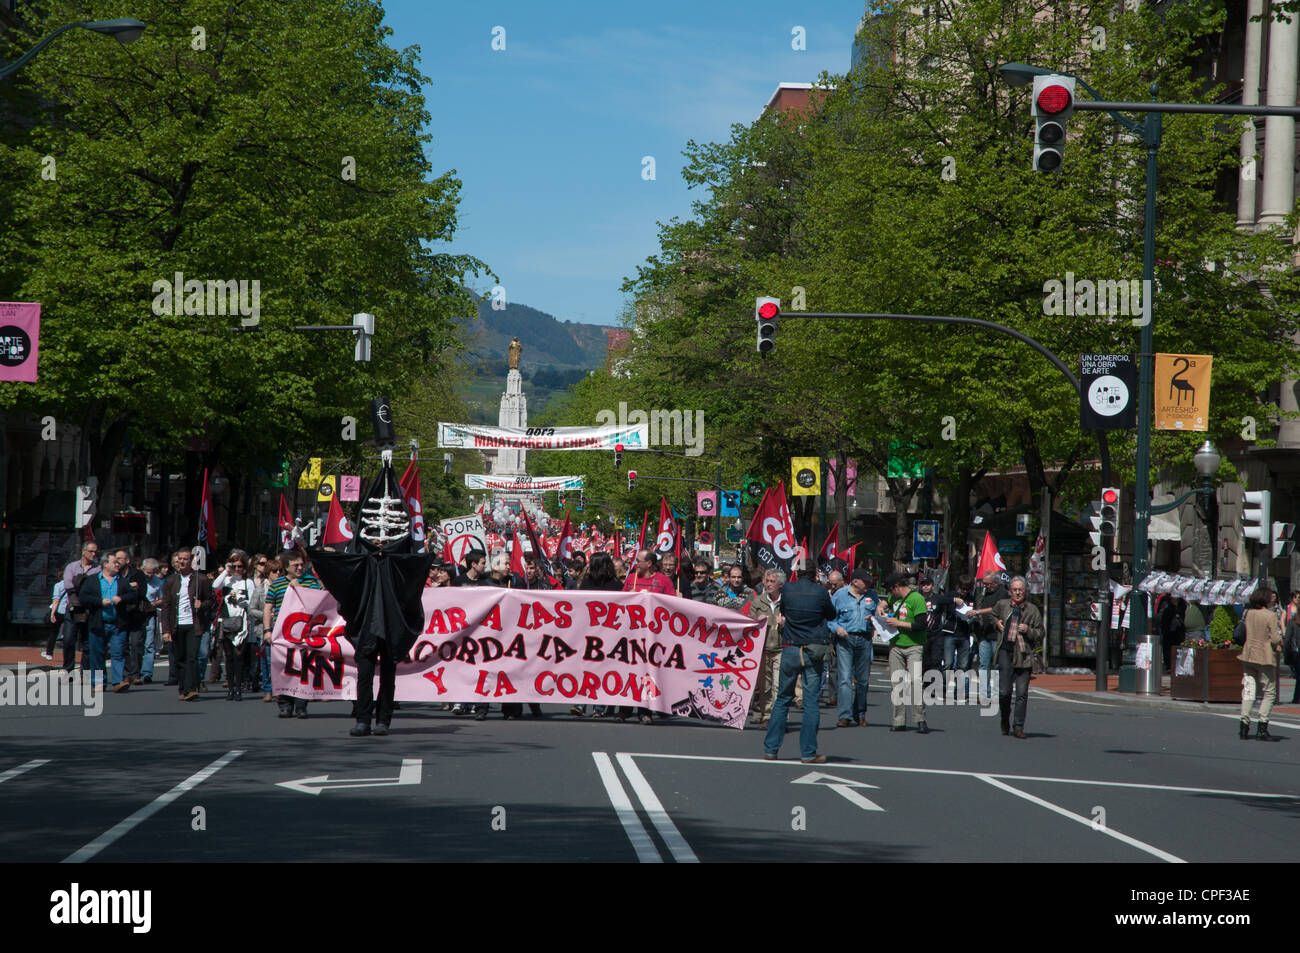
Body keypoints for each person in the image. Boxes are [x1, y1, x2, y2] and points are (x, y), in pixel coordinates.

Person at [763, 557, 836, 763]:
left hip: (791, 647)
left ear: (797, 571)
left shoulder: (788, 590)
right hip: (813, 647)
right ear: (814, 573)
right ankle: (808, 753)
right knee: (811, 700)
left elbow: (784, 611)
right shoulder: (821, 592)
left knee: (783, 698)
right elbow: (831, 615)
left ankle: (771, 749)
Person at [263, 549, 322, 718]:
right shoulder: (277, 584)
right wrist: (267, 630)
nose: (300, 568)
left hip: (305, 633)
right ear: (286, 566)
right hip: (282, 634)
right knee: (284, 669)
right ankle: (285, 704)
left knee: (304, 670)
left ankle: (301, 705)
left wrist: (299, 589)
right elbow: (268, 607)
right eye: (295, 565)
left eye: (302, 564)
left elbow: (317, 604)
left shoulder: (311, 582)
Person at [991, 575, 1044, 739]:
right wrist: (997, 623)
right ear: (1010, 591)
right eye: (1015, 590)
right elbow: (992, 615)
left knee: (1022, 693)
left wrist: (1028, 629)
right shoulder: (1002, 605)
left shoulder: (1032, 610)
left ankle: (1019, 726)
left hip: (1024, 655)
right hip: (1005, 652)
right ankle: (1005, 720)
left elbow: (1040, 633)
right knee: (1004, 692)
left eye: (1020, 590)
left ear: (1025, 591)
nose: (1018, 593)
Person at [160, 548, 215, 702]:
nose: (182, 562)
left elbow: (211, 601)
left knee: (192, 657)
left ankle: (191, 688)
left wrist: (201, 604)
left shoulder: (201, 580)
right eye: (180, 560)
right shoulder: (171, 581)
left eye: (185, 559)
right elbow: (166, 606)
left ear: (191, 561)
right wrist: (166, 629)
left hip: (194, 624)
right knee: (179, 658)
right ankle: (183, 688)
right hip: (177, 624)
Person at [79, 552, 137, 692]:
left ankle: (118, 682)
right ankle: (99, 682)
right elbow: (83, 597)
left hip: (117, 624)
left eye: (118, 562)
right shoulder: (92, 580)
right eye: (114, 562)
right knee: (97, 654)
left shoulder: (121, 580)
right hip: (99, 623)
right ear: (105, 564)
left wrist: (121, 599)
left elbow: (133, 595)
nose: (117, 564)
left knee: (118, 653)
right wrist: (99, 602)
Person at [573, 552, 622, 719]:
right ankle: (580, 703)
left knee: (602, 669)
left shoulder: (615, 585)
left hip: (608, 633)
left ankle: (598, 707)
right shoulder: (587, 582)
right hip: (588, 632)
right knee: (586, 668)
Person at [880, 572, 930, 733]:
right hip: (896, 645)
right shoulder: (893, 598)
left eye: (889, 590)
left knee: (916, 682)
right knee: (897, 684)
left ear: (896, 587)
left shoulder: (917, 599)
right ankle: (898, 720)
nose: (889, 594)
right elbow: (884, 603)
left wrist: (898, 623)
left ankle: (920, 718)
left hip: (914, 645)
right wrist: (880, 606)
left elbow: (921, 624)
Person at [830, 568, 878, 727]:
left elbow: (879, 615)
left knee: (863, 680)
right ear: (855, 581)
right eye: (866, 581)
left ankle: (860, 713)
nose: (869, 584)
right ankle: (844, 715)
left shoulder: (872, 595)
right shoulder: (840, 595)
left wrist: (876, 620)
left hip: (864, 639)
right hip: (845, 638)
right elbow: (829, 618)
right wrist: (837, 628)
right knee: (844, 678)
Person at [1238, 586, 1284, 740]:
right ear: (1265, 598)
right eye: (1271, 597)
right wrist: (1281, 640)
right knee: (1269, 691)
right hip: (1264, 656)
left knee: (1249, 689)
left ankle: (1244, 725)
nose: (1273, 600)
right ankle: (1262, 726)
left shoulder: (1249, 613)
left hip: (1249, 653)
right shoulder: (1270, 615)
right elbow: (1275, 638)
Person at [213, 550, 257, 701]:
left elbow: (251, 603)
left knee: (238, 656)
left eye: (240, 566)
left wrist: (238, 599)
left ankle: (238, 688)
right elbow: (215, 585)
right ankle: (230, 688)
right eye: (234, 566)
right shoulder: (227, 580)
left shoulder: (248, 582)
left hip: (241, 623)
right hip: (226, 621)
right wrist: (226, 571)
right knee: (229, 656)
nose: (237, 569)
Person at [747, 568, 786, 726]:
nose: (768, 584)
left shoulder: (786, 601)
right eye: (767, 581)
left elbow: (794, 623)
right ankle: (765, 713)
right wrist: (757, 620)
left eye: (772, 582)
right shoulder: (758, 601)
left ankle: (778, 717)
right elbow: (748, 624)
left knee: (778, 686)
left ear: (780, 585)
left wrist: (785, 623)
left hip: (781, 648)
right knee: (764, 686)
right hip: (762, 649)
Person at [59, 540, 101, 676]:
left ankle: (85, 672)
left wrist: (82, 585)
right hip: (74, 608)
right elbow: (68, 585)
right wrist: (87, 587)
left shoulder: (98, 568)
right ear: (84, 552)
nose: (94, 554)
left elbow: (98, 587)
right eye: (91, 551)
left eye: (95, 551)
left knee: (87, 642)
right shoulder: (72, 567)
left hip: (89, 609)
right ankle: (68, 669)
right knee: (68, 640)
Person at [969, 568, 1008, 703]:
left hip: (996, 635)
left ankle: (997, 694)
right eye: (984, 584)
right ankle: (984, 694)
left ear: (995, 583)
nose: (985, 586)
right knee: (983, 664)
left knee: (996, 665)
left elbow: (996, 608)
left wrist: (978, 612)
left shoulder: (1003, 593)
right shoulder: (984, 593)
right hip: (984, 634)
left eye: (987, 584)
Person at [114, 549, 150, 686]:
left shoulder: (138, 574)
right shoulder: (114, 575)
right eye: (115, 559)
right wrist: (129, 588)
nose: (117, 562)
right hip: (121, 615)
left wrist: (126, 591)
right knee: (123, 646)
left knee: (136, 644)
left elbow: (141, 593)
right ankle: (126, 674)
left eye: (120, 559)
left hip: (136, 615)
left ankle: (136, 674)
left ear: (127, 561)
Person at [1283, 591, 1300, 705]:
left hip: (1296, 652)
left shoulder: (1292, 622)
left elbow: (1287, 638)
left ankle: (1296, 698)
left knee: (1299, 676)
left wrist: (1285, 653)